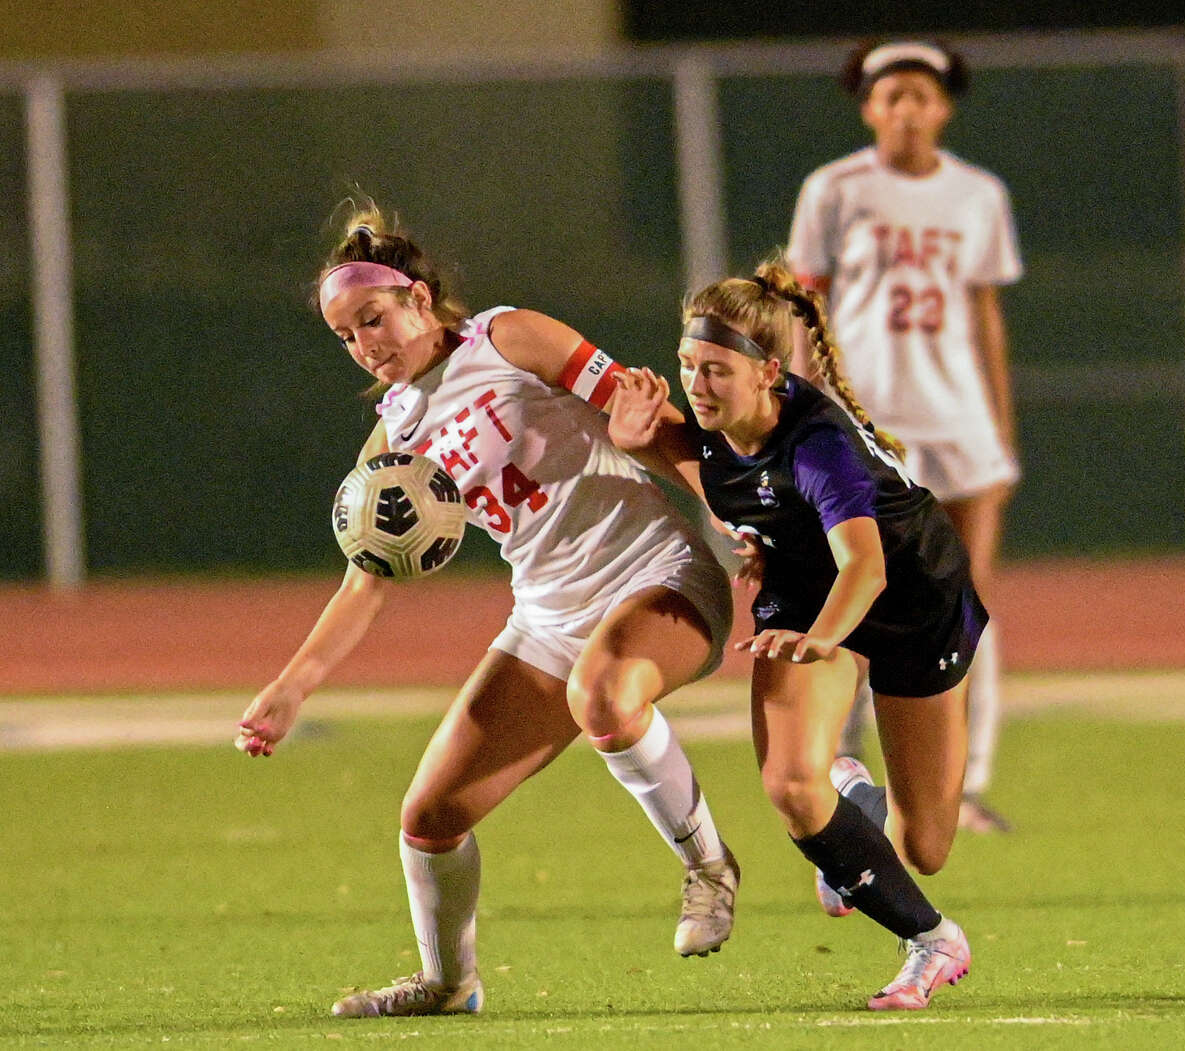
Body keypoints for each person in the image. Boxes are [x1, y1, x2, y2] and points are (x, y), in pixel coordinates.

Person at [234, 206, 739, 1018]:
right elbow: (367, 583)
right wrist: (292, 688)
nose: (365, 342)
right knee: (430, 817)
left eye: (373, 316)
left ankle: (710, 866)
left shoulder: (509, 338)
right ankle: (447, 982)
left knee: (606, 694)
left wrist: (728, 513)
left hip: (658, 572)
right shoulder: (394, 442)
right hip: (548, 613)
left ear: (422, 301)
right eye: (345, 334)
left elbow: (650, 424)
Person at [608, 260, 980, 1011]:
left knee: (925, 845)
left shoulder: (819, 446)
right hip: (810, 592)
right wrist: (630, 440)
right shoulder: (711, 428)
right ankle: (933, 942)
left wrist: (820, 639)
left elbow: (867, 568)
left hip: (910, 596)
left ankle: (864, 807)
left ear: (769, 372)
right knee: (789, 786)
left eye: (714, 369)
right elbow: (711, 479)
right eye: (687, 365)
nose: (695, 384)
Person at [785, 40, 1022, 833]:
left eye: (922, 95)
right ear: (869, 108)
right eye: (893, 96)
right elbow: (802, 307)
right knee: (859, 596)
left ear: (944, 107)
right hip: (867, 422)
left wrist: (1002, 426)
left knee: (967, 602)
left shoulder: (977, 193)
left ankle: (967, 783)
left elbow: (985, 313)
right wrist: (800, 414)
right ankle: (852, 772)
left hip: (957, 421)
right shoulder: (835, 187)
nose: (908, 109)